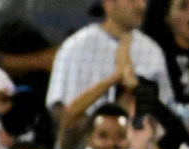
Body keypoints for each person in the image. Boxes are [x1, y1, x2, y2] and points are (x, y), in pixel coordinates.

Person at [46, 0, 174, 115]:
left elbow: (167, 109)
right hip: (86, 139)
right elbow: (62, 116)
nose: (141, 5)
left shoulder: (152, 50)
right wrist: (117, 76)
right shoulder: (75, 47)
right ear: (108, 3)